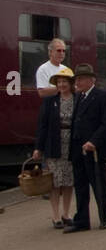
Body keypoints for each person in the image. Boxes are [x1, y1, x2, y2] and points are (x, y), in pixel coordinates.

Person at [68, 63, 106, 232]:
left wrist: (93, 141)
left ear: (91, 80)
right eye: (76, 79)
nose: (77, 82)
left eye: (80, 79)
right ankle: (81, 220)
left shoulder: (103, 96)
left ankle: (104, 217)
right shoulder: (78, 97)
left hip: (94, 149)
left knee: (98, 184)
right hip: (78, 149)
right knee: (80, 185)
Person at [32, 67, 77, 229]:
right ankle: (55, 215)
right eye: (59, 82)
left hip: (72, 145)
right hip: (54, 144)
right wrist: (39, 147)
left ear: (71, 83)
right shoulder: (50, 102)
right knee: (55, 182)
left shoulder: (77, 100)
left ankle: (67, 213)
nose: (62, 84)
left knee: (68, 181)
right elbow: (42, 126)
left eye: (65, 81)